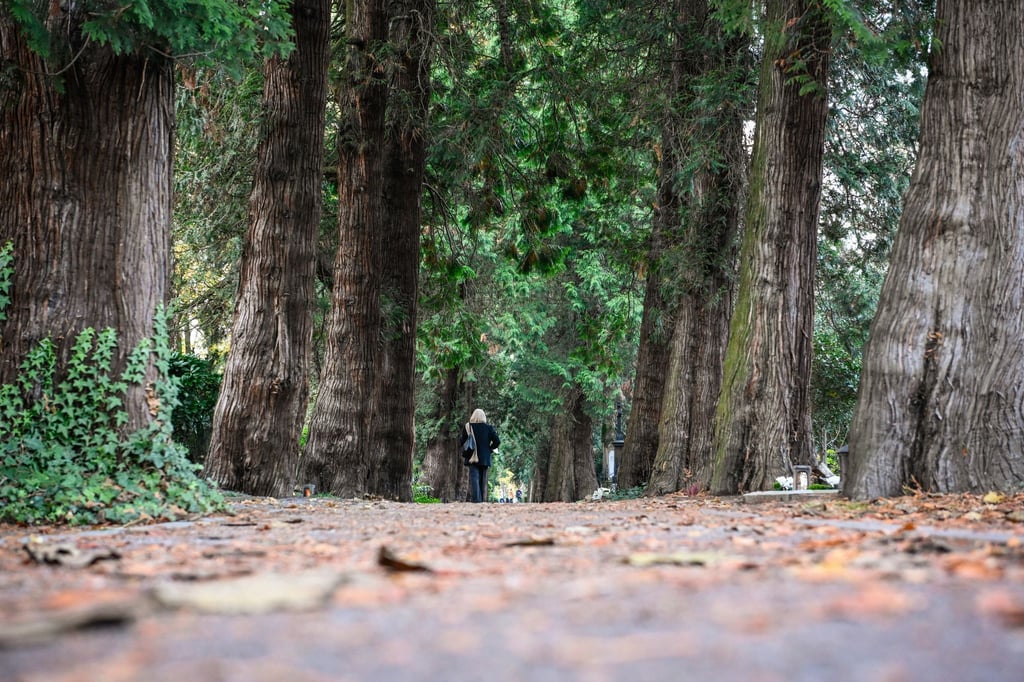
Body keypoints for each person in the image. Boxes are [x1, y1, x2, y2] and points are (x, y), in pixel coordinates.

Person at [460, 408, 500, 503]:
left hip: (472, 456)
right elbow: (497, 441)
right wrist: (490, 449)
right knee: (482, 479)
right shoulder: (488, 428)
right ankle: (481, 501)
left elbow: (462, 442)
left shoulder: (468, 427)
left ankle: (476, 500)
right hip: (484, 458)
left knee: (474, 478)